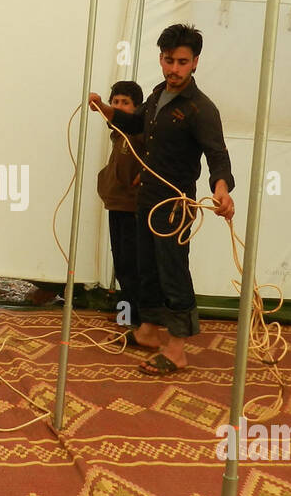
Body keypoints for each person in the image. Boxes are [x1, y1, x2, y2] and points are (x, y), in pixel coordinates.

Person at [89, 23, 235, 375]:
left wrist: (221, 188)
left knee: (173, 272)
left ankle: (177, 349)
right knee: (148, 268)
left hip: (174, 204)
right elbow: (134, 124)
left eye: (182, 62)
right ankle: (148, 331)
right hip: (147, 199)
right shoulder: (156, 96)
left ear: (195, 62)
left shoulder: (201, 108)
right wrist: (105, 108)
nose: (174, 69)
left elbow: (217, 154)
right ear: (160, 58)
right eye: (169, 60)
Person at [96, 81, 144, 332]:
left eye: (125, 103)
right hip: (116, 203)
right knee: (121, 263)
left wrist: (144, 173)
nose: (118, 106)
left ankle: (136, 319)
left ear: (137, 108)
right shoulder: (118, 134)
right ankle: (124, 315)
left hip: (132, 206)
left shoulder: (139, 133)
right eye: (115, 102)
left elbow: (156, 155)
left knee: (132, 264)